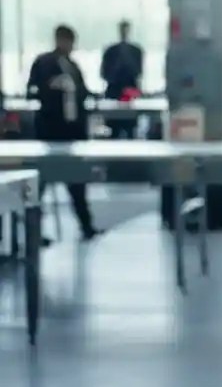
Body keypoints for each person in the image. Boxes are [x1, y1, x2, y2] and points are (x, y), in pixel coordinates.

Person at [27, 25, 101, 240]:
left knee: (77, 181)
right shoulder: (44, 63)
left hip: (73, 131)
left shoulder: (73, 66)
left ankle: (86, 225)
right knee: (40, 184)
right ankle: (34, 231)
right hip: (51, 130)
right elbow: (32, 90)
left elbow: (83, 92)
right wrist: (50, 88)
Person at [101, 19, 145, 139]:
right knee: (113, 130)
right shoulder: (111, 51)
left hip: (130, 93)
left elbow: (139, 72)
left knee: (130, 129)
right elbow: (104, 73)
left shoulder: (136, 51)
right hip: (114, 92)